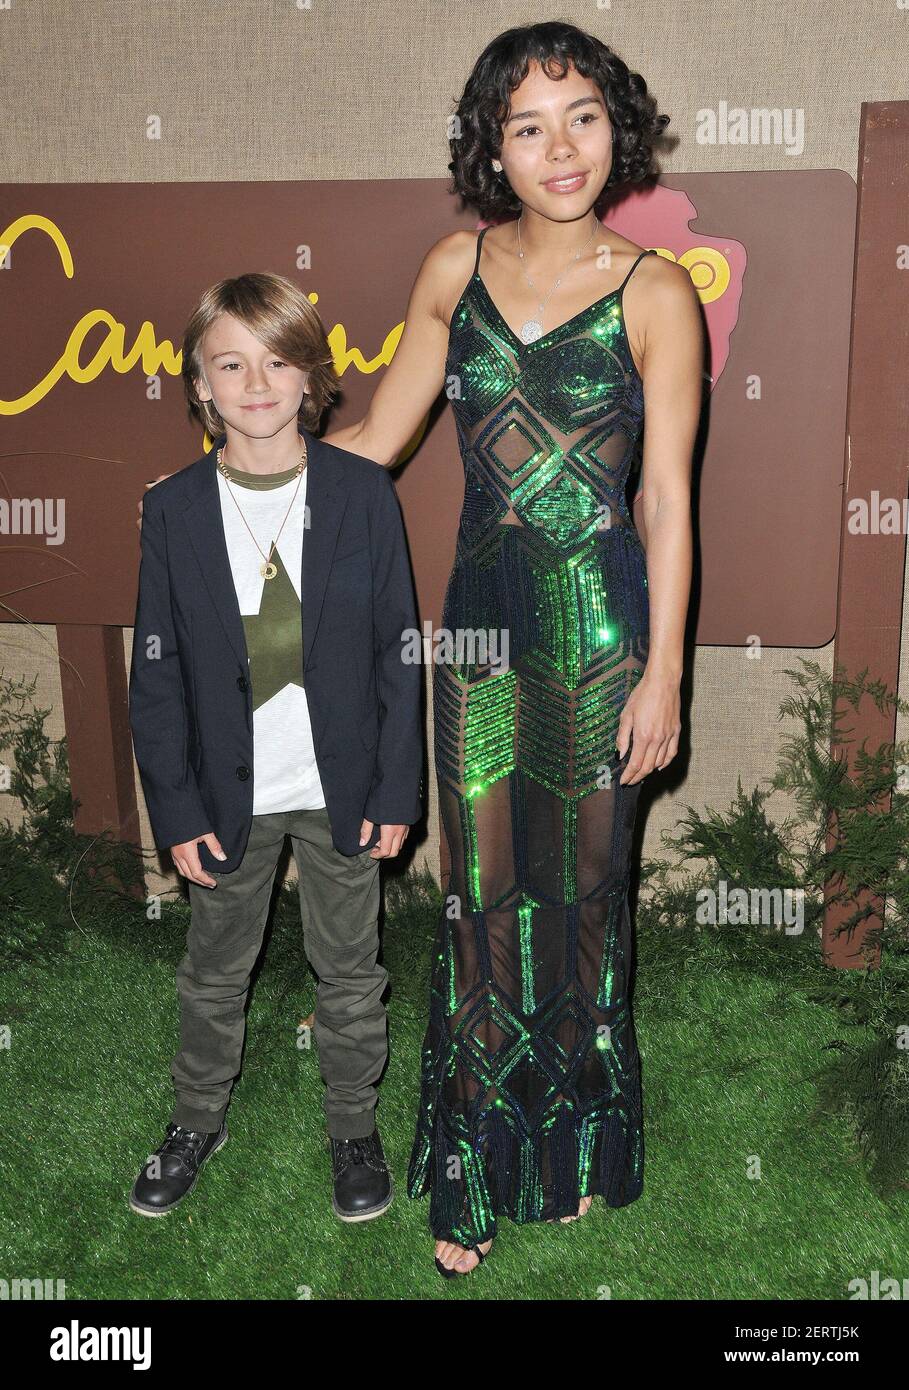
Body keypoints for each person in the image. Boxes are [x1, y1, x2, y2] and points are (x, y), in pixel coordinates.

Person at [324, 22, 700, 1276]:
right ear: (493, 142)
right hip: (480, 633)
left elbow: (666, 501)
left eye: (582, 115)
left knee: (587, 895)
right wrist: (245, 478)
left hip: (603, 631)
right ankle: (474, 1164)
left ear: (616, 128)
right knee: (481, 895)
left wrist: (665, 673)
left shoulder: (658, 293)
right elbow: (380, 434)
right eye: (527, 123)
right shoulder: (454, 267)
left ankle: (579, 1143)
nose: (559, 146)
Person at [127, 272, 423, 1223]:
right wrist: (173, 805)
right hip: (225, 796)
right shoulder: (172, 510)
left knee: (351, 971)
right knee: (214, 971)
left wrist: (394, 789)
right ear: (201, 386)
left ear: (310, 377)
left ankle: (352, 1128)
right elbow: (157, 675)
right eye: (231, 363)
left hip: (339, 790)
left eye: (278, 359)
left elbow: (397, 653)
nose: (257, 382)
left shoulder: (363, 495)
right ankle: (194, 1119)